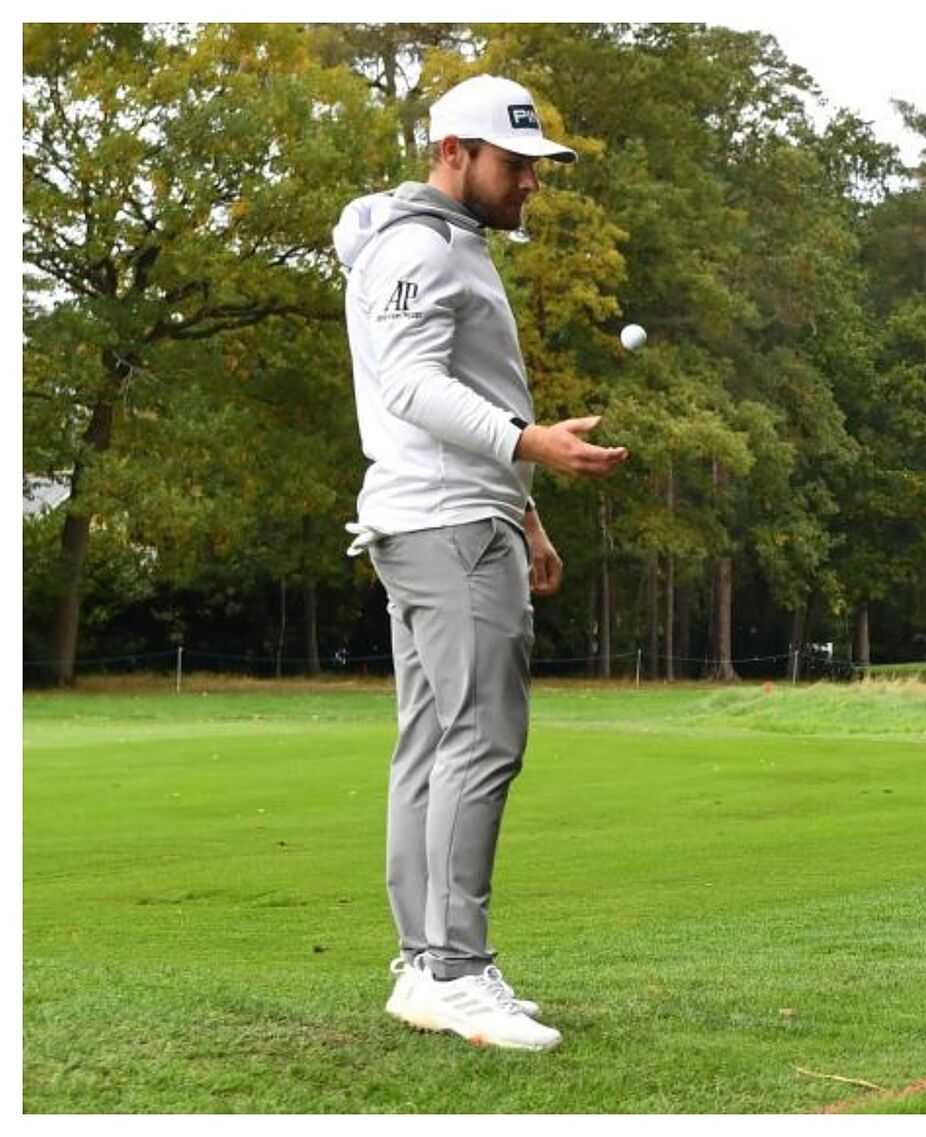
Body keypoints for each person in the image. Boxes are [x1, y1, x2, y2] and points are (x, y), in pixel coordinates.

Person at [333, 74, 629, 1051]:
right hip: (445, 523)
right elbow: (415, 386)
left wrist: (528, 512)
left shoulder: (448, 245)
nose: (531, 183)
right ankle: (453, 970)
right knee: (480, 739)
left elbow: (467, 382)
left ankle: (429, 965)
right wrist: (529, 444)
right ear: (452, 152)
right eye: (515, 164)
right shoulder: (417, 247)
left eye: (537, 167)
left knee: (433, 740)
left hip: (458, 517)